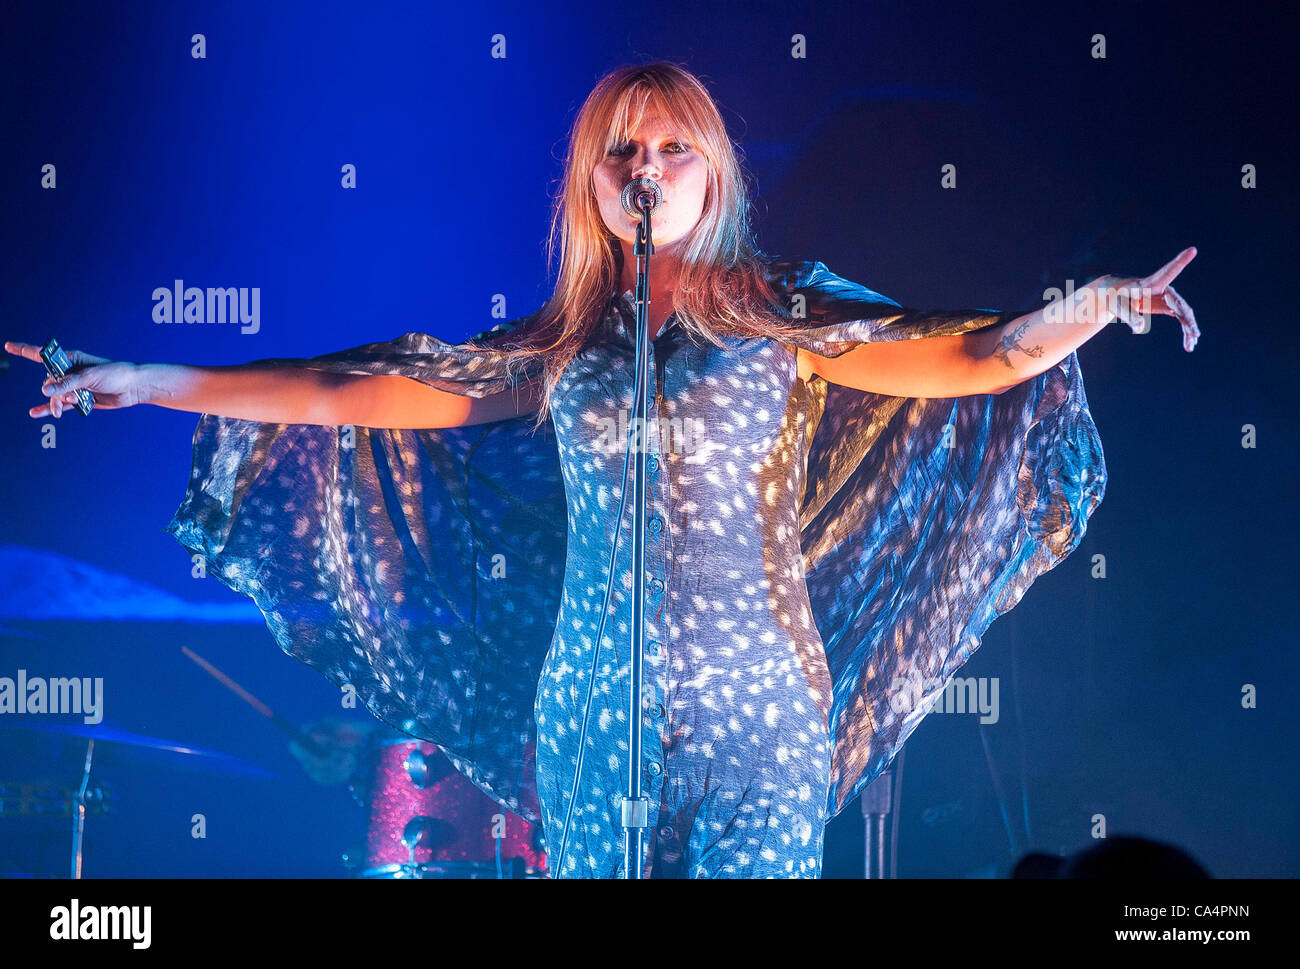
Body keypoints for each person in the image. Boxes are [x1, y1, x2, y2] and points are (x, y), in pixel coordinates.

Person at [5, 62, 1199, 879]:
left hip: (758, 724)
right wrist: (157, 378)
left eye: (677, 148)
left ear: (715, 174)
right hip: (588, 713)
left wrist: (1091, 308)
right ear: (591, 179)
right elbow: (346, 389)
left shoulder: (789, 323)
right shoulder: (559, 350)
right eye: (625, 148)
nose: (651, 166)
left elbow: (982, 357)